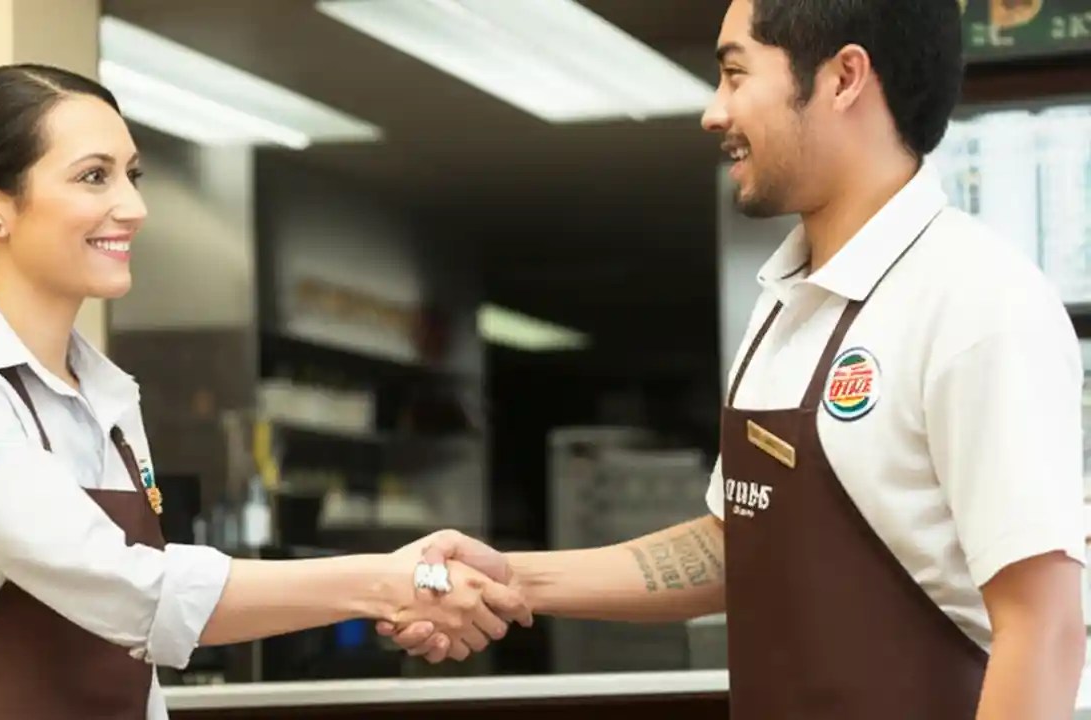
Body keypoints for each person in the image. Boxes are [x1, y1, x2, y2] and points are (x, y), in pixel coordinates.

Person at [381, 0, 1089, 718]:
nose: (713, 113)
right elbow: (738, 546)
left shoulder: (977, 302)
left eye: (734, 74)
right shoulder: (784, 304)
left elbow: (1045, 626)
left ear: (844, 77)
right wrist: (513, 579)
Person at [0, 63, 531, 720]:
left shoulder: (106, 394)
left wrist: (394, 588)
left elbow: (133, 651)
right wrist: (387, 583)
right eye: (95, 176)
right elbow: (128, 593)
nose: (135, 207)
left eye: (132, 174)